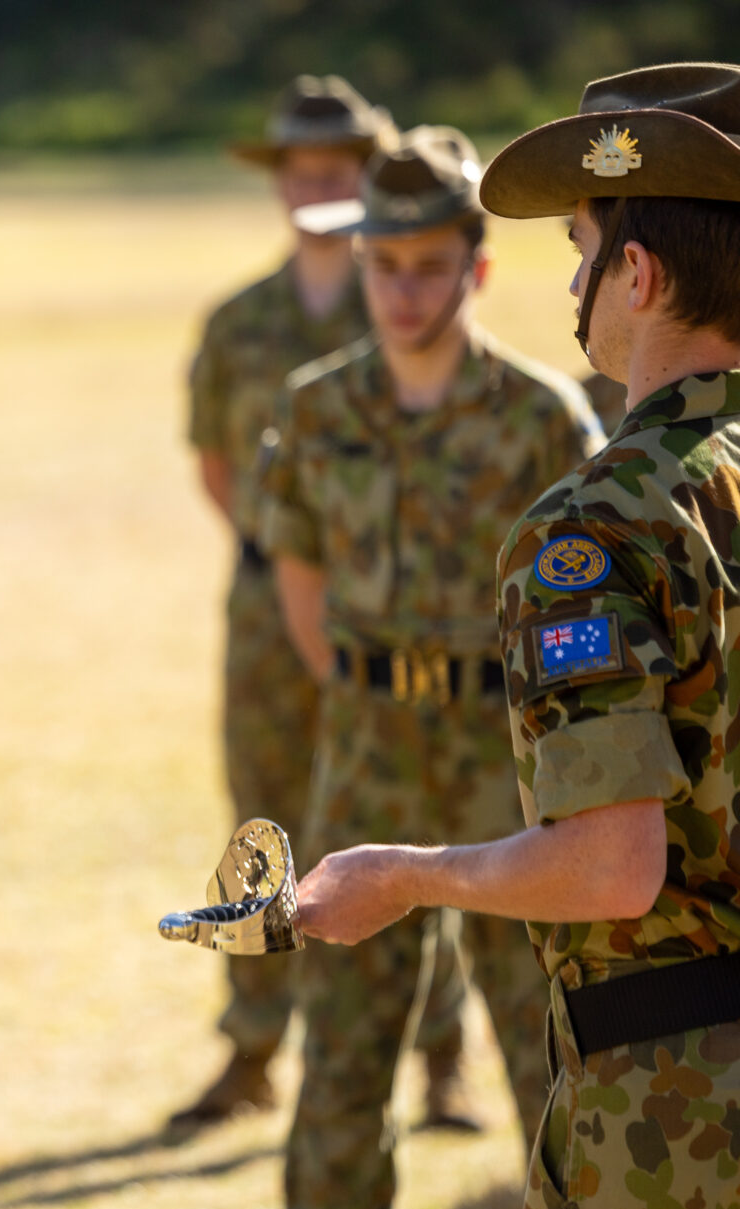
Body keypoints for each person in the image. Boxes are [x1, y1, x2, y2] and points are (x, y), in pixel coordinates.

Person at [295, 61, 740, 1209]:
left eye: (581, 248)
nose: (570, 283)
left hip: (676, 1123)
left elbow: (610, 865)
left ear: (642, 275)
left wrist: (406, 875)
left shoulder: (601, 523)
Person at [259, 126, 606, 1209]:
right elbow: (295, 579)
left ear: (473, 270)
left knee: (540, 1035)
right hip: (361, 746)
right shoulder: (314, 408)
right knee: (344, 1043)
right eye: (382, 264)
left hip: (499, 747)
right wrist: (367, 683)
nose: (403, 288)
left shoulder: (539, 416)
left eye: (426, 264)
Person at [172, 75, 492, 1129]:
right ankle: (252, 1046)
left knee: (413, 822)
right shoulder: (237, 321)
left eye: (337, 166)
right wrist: (285, 559)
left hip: (400, 616)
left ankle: (440, 1055)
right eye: (297, 167)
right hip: (269, 607)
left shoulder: (404, 298)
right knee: (259, 819)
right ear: (277, 182)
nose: (316, 181)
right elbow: (215, 461)